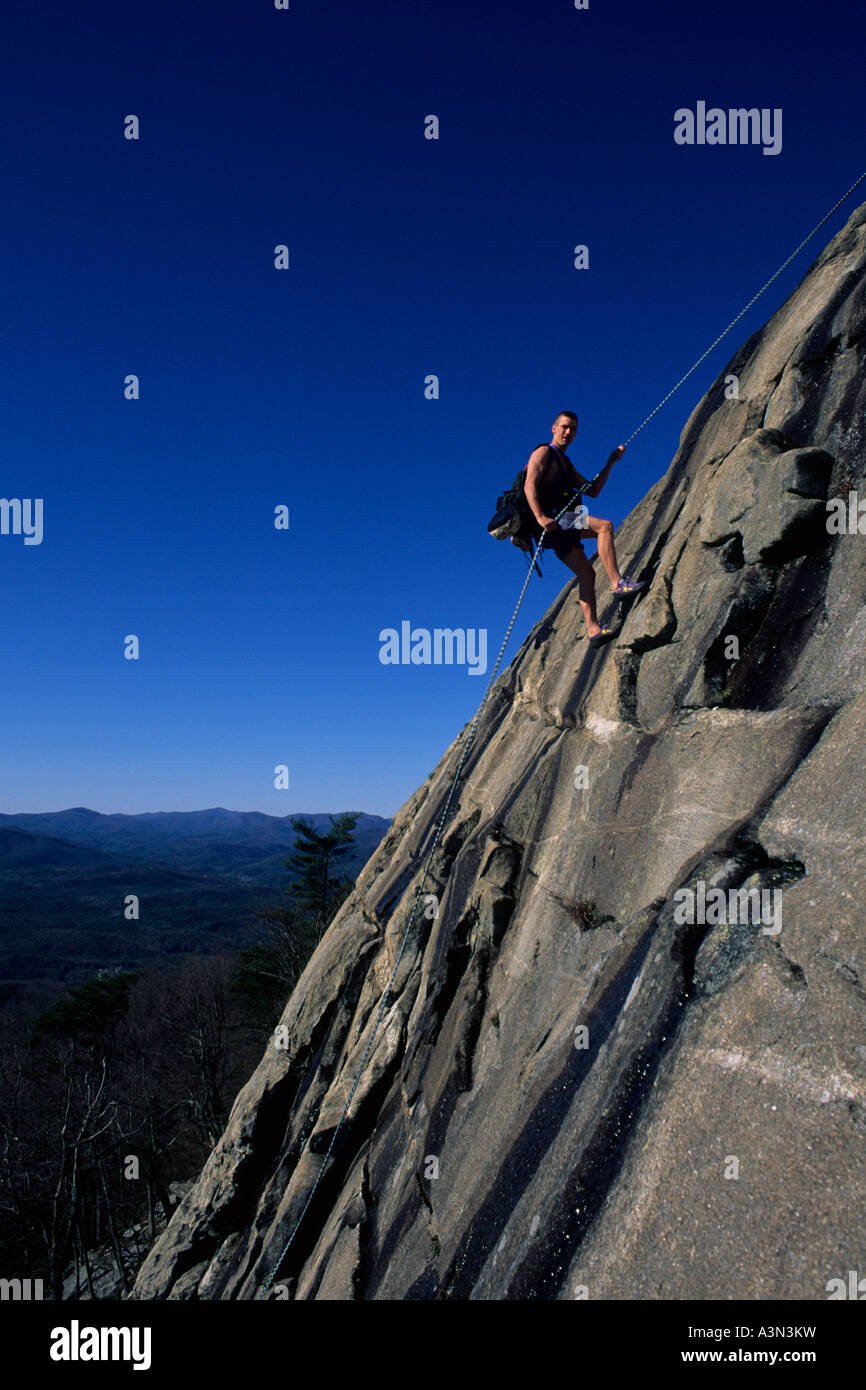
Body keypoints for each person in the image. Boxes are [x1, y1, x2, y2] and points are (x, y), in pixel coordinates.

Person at [523, 411, 645, 647]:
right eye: (565, 427)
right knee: (604, 527)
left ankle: (593, 630)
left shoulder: (566, 465)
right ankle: (618, 583)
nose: (568, 432)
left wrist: (610, 462)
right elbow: (530, 485)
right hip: (555, 522)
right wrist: (540, 516)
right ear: (554, 428)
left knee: (587, 574)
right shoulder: (543, 453)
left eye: (573, 429)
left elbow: (592, 490)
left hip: (559, 528)